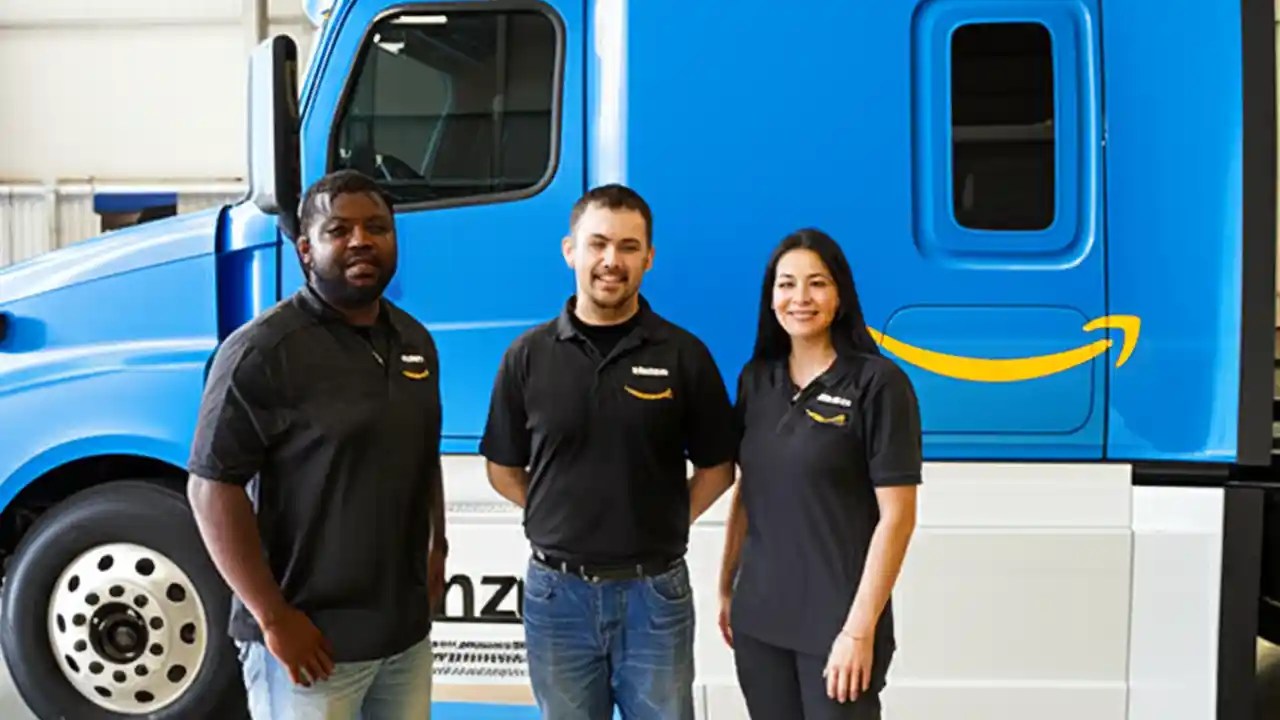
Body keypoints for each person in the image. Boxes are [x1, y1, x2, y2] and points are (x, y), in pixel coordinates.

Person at [186, 169, 447, 719]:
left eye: (377, 227)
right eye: (339, 230)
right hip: (312, 646)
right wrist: (273, 618)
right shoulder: (263, 352)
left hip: (402, 641)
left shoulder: (414, 341)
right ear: (306, 250)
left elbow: (424, 455)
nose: (361, 240)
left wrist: (437, 547)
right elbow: (211, 489)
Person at [479, 183, 737, 720]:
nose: (610, 261)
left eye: (627, 246)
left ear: (649, 257)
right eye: (597, 244)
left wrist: (663, 520)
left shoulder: (684, 355)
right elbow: (503, 469)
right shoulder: (526, 356)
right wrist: (560, 514)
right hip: (557, 599)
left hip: (655, 595)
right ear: (570, 250)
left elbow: (719, 468)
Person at [717, 228, 922, 719]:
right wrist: (726, 587)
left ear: (841, 295)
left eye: (817, 283)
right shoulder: (756, 380)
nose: (800, 298)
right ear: (771, 298)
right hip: (759, 621)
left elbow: (897, 518)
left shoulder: (878, 384)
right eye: (786, 284)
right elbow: (749, 490)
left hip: (836, 627)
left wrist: (859, 630)